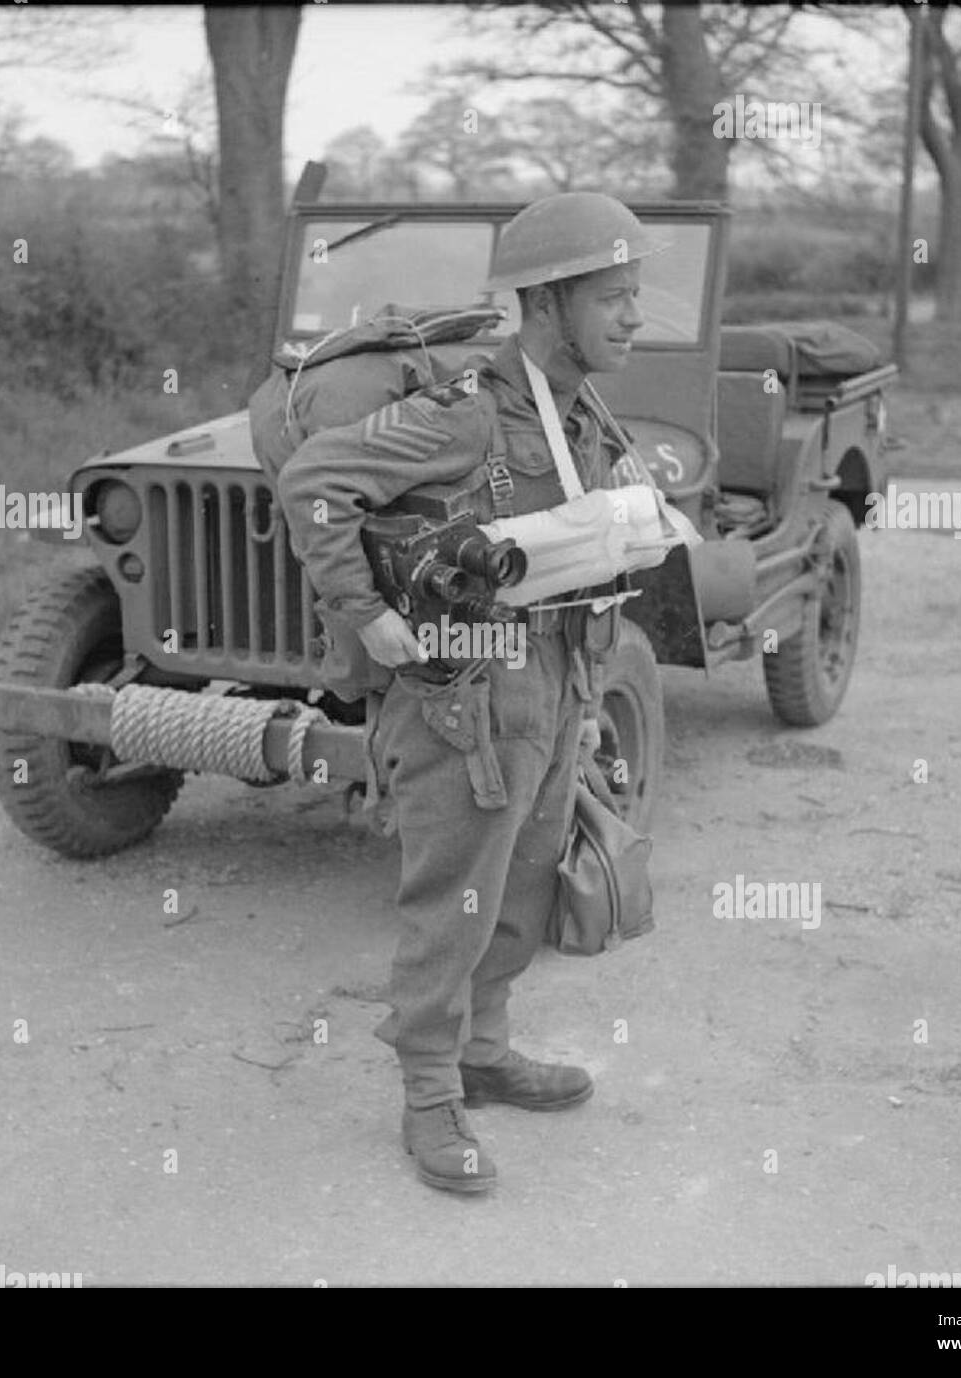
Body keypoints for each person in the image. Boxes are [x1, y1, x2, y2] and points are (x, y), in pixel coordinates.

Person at [277, 192, 667, 1194]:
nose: (634, 315)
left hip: (555, 677)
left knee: (524, 884)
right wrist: (365, 613)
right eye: (614, 297)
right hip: (467, 697)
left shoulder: (582, 404)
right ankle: (428, 1098)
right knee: (450, 900)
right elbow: (315, 480)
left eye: (635, 295)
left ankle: (483, 1049)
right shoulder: (467, 414)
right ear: (547, 300)